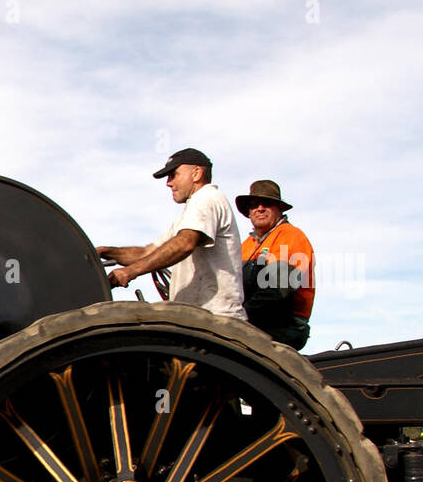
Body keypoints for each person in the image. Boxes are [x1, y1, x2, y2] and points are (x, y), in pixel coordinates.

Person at [98, 148, 245, 320]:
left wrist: (130, 271)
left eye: (173, 175)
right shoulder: (189, 215)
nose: (168, 183)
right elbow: (147, 253)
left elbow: (185, 244)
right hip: (199, 317)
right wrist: (104, 252)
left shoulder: (207, 198)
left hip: (215, 318)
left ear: (196, 173)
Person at [237, 179, 315, 349]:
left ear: (279, 208)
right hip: (253, 320)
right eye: (254, 204)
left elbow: (278, 290)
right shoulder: (245, 245)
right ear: (248, 212)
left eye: (267, 203)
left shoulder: (291, 236)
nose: (260, 208)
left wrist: (239, 316)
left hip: (284, 325)